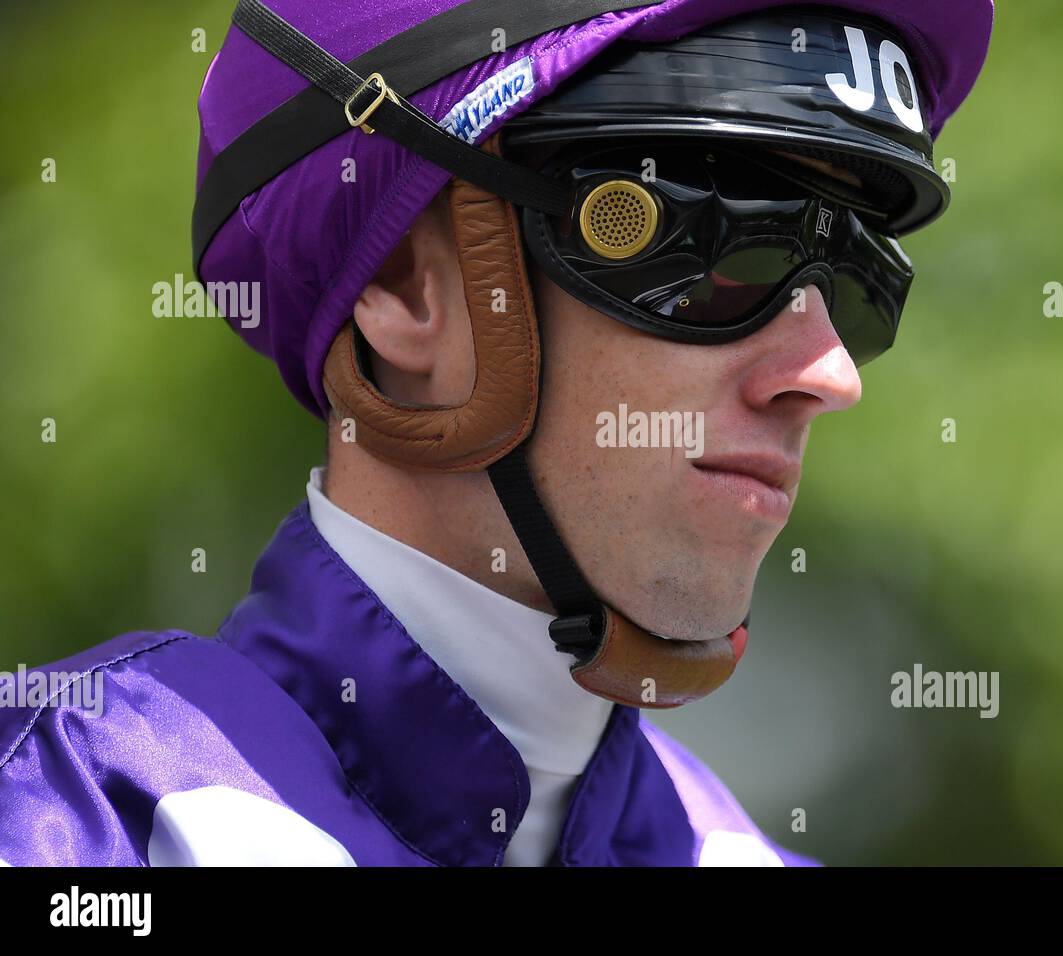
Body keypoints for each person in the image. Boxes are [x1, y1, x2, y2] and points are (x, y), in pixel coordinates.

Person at [0, 0, 992, 866]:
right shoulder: (66, 817)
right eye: (715, 238)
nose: (829, 374)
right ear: (401, 283)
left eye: (860, 279)